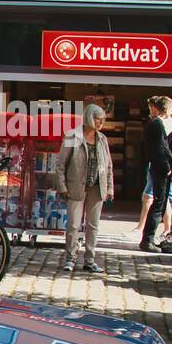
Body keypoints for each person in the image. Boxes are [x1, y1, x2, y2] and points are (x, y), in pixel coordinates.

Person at [55, 103, 113, 273]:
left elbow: (108, 165)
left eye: (102, 120)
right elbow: (60, 165)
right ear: (88, 117)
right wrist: (62, 186)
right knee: (73, 224)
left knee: (93, 225)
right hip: (76, 187)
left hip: (97, 186)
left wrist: (110, 188)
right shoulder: (73, 136)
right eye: (97, 119)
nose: (100, 123)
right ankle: (70, 258)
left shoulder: (102, 139)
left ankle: (90, 259)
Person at [140, 96, 172, 252]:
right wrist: (167, 167)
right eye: (171, 109)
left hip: (158, 167)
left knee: (160, 202)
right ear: (165, 109)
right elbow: (160, 148)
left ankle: (148, 238)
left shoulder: (155, 123)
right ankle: (148, 239)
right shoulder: (157, 124)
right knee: (159, 203)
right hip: (160, 168)